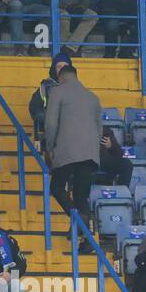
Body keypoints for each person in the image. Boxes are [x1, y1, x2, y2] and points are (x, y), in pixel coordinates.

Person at [42, 64, 101, 221]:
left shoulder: (57, 91)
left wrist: (50, 147)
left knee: (57, 187)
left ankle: (77, 219)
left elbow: (51, 124)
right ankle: (86, 237)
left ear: (61, 78)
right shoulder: (93, 97)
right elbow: (99, 130)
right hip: (90, 154)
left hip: (67, 151)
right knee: (81, 195)